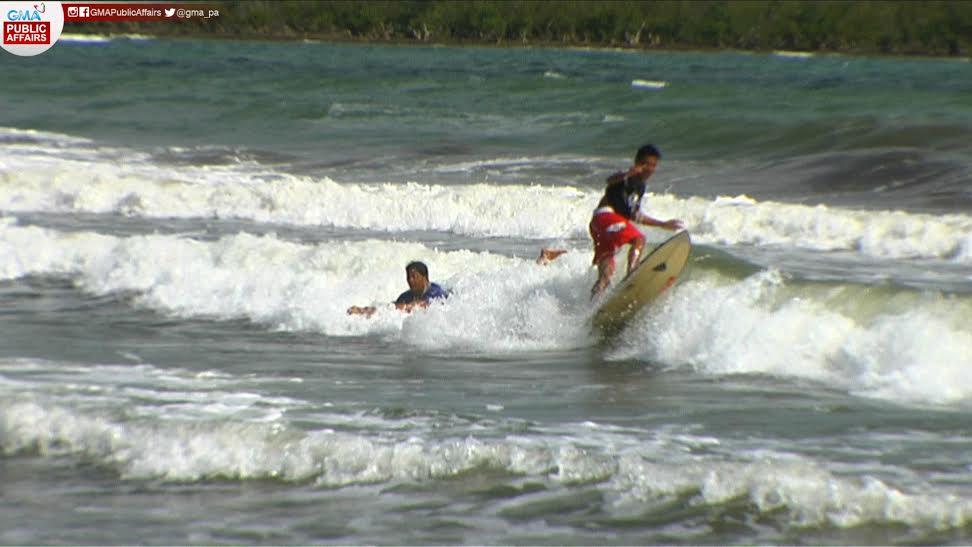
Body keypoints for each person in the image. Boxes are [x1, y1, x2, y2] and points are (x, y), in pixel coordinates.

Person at [588, 144, 682, 298]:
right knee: (638, 239)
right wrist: (627, 173)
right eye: (646, 164)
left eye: (653, 165)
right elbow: (609, 180)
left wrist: (662, 224)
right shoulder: (626, 178)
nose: (650, 169)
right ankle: (632, 276)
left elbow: (634, 215)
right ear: (638, 162)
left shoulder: (640, 186)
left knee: (606, 272)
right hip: (606, 217)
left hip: (599, 225)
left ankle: (593, 305)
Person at [347, 261, 450, 317]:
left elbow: (417, 306)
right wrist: (364, 310)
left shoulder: (435, 292)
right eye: (408, 277)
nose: (410, 280)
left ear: (425, 278)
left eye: (414, 277)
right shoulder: (405, 296)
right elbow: (392, 309)